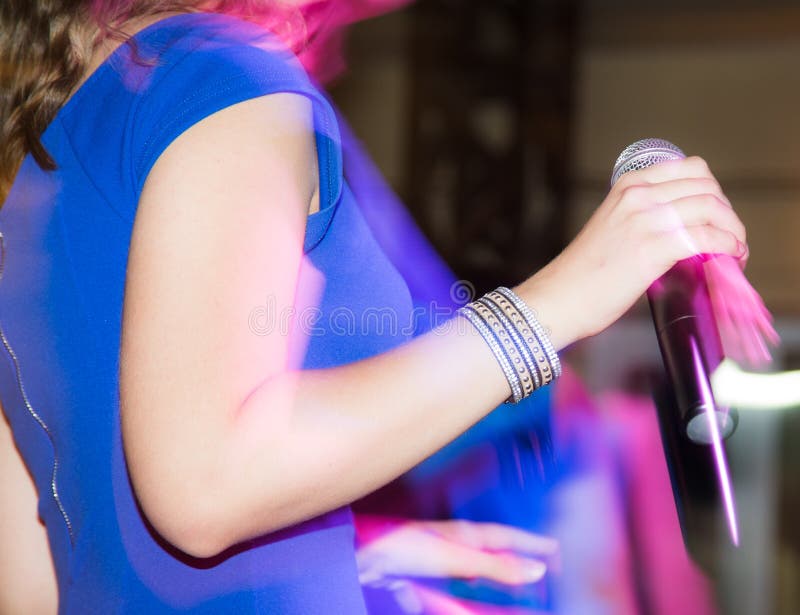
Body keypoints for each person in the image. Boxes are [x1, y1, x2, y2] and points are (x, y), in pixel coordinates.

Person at [0, 1, 751, 613]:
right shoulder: (222, 79)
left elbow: (38, 578)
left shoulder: (39, 168)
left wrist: (337, 560)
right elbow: (205, 480)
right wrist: (552, 304)